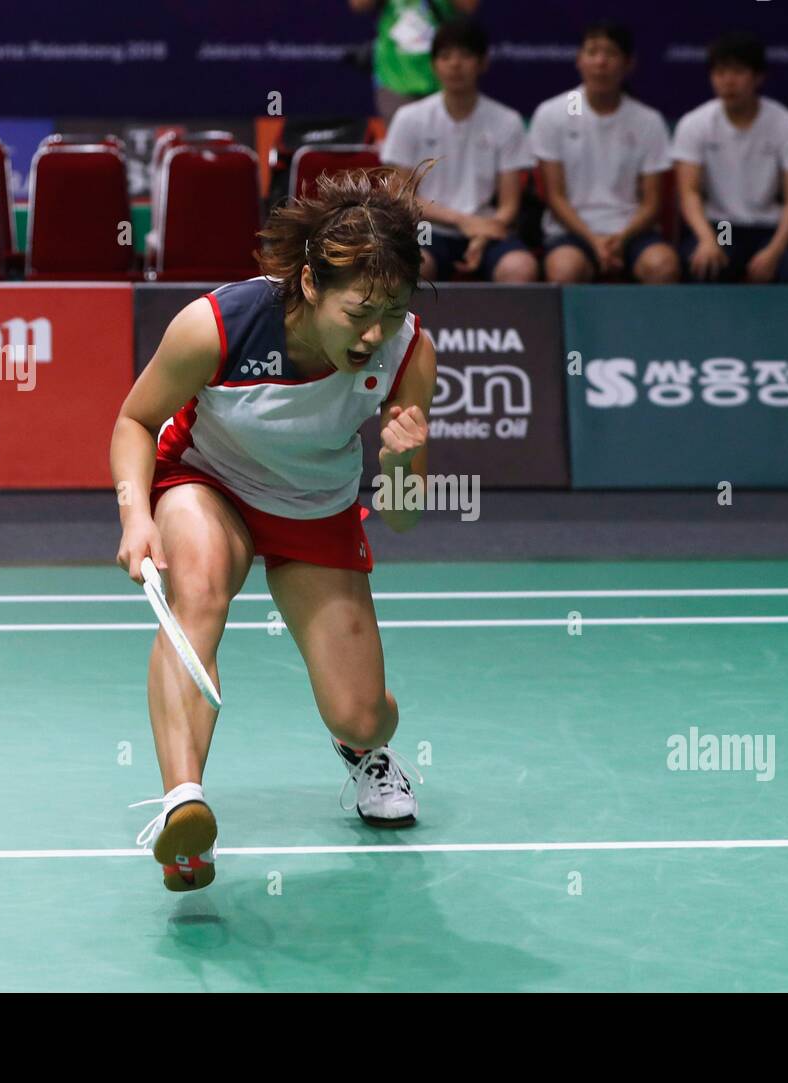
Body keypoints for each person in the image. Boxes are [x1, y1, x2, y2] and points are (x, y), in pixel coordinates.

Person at [110, 166, 437, 892]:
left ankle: (363, 752)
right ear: (313, 285)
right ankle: (181, 808)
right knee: (196, 595)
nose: (373, 332)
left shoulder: (408, 352)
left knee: (363, 714)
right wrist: (136, 513)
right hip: (210, 481)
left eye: (392, 308)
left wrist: (405, 461)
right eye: (360, 312)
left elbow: (405, 517)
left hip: (315, 504)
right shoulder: (219, 324)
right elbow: (134, 419)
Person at [380, 17, 539, 282]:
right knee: (411, 265)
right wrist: (461, 221)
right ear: (434, 65)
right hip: (427, 228)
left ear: (482, 63)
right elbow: (402, 194)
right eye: (445, 56)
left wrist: (482, 233)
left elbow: (510, 204)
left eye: (465, 55)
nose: (455, 64)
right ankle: (417, 326)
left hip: (487, 226)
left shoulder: (507, 121)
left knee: (520, 268)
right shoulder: (409, 117)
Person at [529, 20, 679, 284]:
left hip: (633, 233)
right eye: (592, 52)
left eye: (610, 53)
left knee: (663, 265)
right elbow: (555, 196)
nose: (600, 62)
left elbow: (652, 203)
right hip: (571, 232)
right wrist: (593, 240)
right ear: (579, 60)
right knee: (564, 269)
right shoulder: (553, 113)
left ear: (628, 63)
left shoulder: (648, 120)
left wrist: (619, 239)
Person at [671, 32, 788, 283]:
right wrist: (707, 240)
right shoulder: (694, 124)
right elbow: (689, 192)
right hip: (723, 227)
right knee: (708, 265)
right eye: (720, 73)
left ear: (758, 77)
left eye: (738, 72)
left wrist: (774, 251)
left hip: (771, 227)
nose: (728, 81)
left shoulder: (787, 124)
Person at [348, 0, 481, 123]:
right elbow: (358, 4)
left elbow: (469, 5)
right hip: (395, 79)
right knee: (403, 144)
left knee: (449, 143)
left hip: (445, 81)